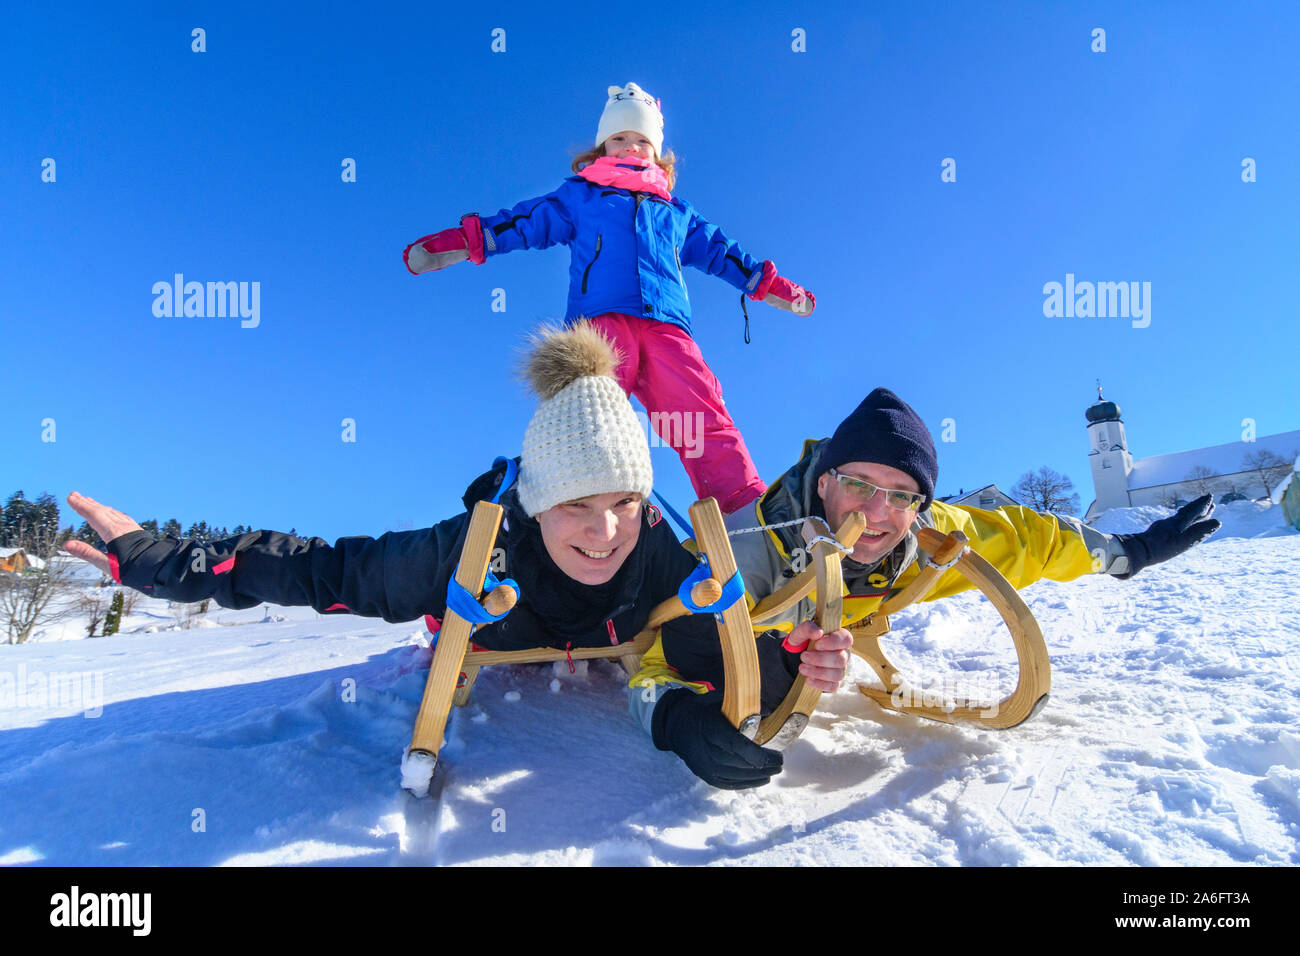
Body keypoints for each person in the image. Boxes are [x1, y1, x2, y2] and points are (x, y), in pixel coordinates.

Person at [61, 323, 850, 790]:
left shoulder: (654, 551)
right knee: (425, 598)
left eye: (623, 502)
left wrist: (755, 686)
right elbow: (319, 569)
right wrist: (151, 558)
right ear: (538, 501)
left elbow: (711, 649)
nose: (605, 530)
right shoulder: (476, 549)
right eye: (578, 502)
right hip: (491, 621)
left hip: (604, 637)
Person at [630, 387, 1221, 770]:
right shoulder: (750, 547)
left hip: (846, 616)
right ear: (825, 480)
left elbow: (1031, 538)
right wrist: (676, 722)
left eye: (902, 495)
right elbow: (655, 643)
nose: (878, 512)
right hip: (752, 620)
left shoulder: (925, 537)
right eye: (859, 483)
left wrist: (1128, 550)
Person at [402, 82, 816, 515]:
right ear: (602, 148)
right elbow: (522, 222)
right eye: (619, 138)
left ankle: (746, 513)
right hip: (600, 328)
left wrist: (774, 288)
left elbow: (725, 253)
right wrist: (465, 241)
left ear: (657, 152)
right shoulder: (581, 196)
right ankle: (555, 511)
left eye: (641, 140)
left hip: (667, 331)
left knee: (701, 419)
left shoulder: (677, 213)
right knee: (586, 421)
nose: (631, 147)